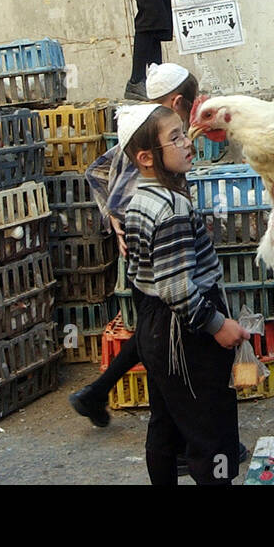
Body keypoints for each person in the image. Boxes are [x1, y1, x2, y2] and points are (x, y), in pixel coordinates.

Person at [68, 62, 200, 426]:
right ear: (178, 103)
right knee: (165, 340)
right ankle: (195, 442)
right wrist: (117, 217)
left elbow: (95, 171)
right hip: (158, 255)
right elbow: (123, 189)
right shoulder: (151, 146)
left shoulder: (137, 132)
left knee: (151, 334)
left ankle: (96, 393)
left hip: (142, 255)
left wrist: (112, 216)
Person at [122, 105, 247, 485]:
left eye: (183, 133)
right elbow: (176, 288)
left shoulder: (139, 198)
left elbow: (140, 272)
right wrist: (217, 325)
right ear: (146, 158)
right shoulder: (172, 207)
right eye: (174, 138)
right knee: (213, 433)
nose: (186, 143)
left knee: (165, 423)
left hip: (153, 325)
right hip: (185, 333)